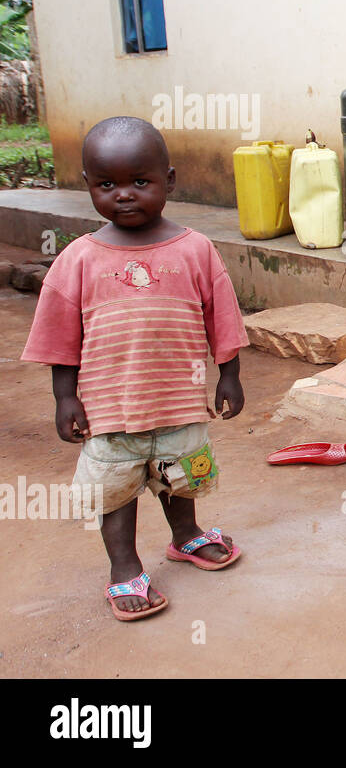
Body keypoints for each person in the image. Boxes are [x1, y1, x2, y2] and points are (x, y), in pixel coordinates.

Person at [22, 117, 248, 622]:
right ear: (88, 187)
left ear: (168, 181)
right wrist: (65, 398)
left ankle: (186, 536)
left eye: (139, 182)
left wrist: (228, 374)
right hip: (110, 413)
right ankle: (124, 566)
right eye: (107, 184)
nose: (123, 195)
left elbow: (223, 318)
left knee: (182, 476)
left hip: (181, 405)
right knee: (116, 489)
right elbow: (61, 338)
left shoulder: (195, 249)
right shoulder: (78, 259)